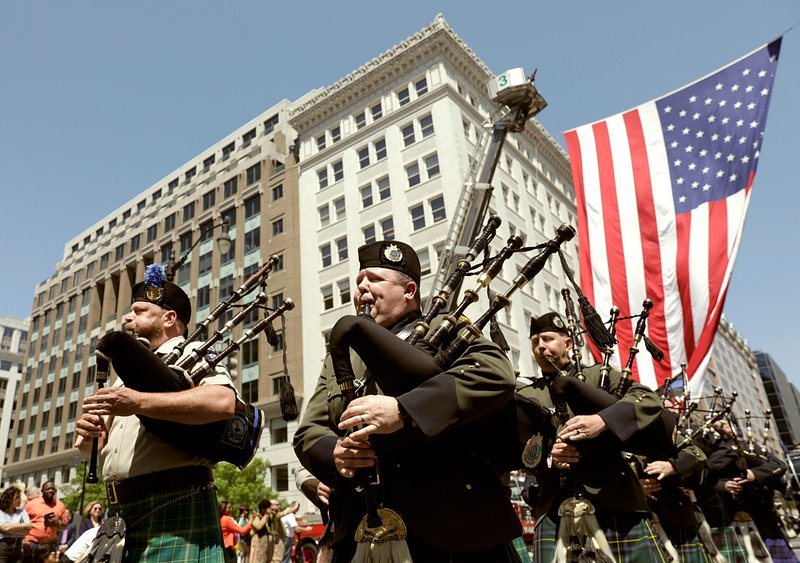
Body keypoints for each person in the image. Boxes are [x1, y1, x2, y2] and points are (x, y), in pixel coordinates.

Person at [293, 240, 524, 562]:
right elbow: (309, 431)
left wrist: (404, 410)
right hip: (363, 523)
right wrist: (335, 452)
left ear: (409, 290)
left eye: (374, 279)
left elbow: (495, 375)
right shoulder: (342, 355)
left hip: (452, 522)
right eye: (359, 281)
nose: (362, 288)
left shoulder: (444, 328)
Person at [75, 264, 237, 562]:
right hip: (118, 515)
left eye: (139, 311)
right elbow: (96, 449)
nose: (128, 317)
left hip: (175, 504)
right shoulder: (123, 376)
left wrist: (137, 401)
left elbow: (222, 402)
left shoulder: (194, 352)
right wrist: (89, 438)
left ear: (169, 318)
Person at [519, 312, 667, 562]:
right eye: (535, 342)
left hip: (616, 499)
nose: (540, 346)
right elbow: (524, 454)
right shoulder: (529, 396)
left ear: (568, 343)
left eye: (547, 339)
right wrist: (550, 459)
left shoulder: (599, 375)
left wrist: (603, 420)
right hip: (557, 508)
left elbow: (649, 400)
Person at [22, 481, 68, 563]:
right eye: (48, 489)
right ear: (42, 491)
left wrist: (57, 522)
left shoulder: (60, 505)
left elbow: (65, 526)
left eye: (53, 489)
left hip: (49, 545)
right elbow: (21, 523)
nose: (51, 490)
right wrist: (24, 540)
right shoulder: (32, 504)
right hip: (32, 543)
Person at [0, 486, 31, 563]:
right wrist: (22, 527)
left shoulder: (22, 512)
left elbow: (28, 528)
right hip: (3, 546)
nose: (20, 500)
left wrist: (9, 530)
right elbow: (5, 528)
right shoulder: (1, 512)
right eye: (17, 497)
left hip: (17, 546)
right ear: (9, 499)